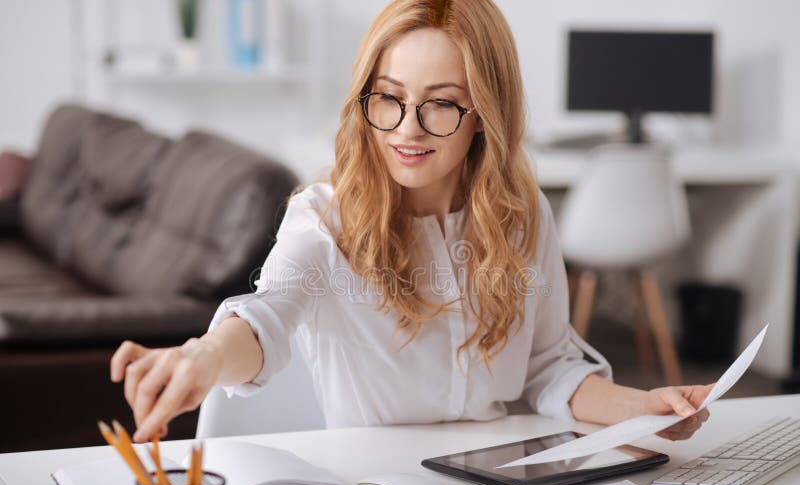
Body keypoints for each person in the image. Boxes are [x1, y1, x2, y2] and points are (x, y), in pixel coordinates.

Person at [110, 0, 711, 444]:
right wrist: (204, 357)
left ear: (485, 115)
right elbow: (267, 316)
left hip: (497, 476)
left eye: (442, 103)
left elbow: (549, 367)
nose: (407, 128)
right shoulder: (325, 218)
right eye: (389, 97)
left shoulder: (523, 217)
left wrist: (641, 408)